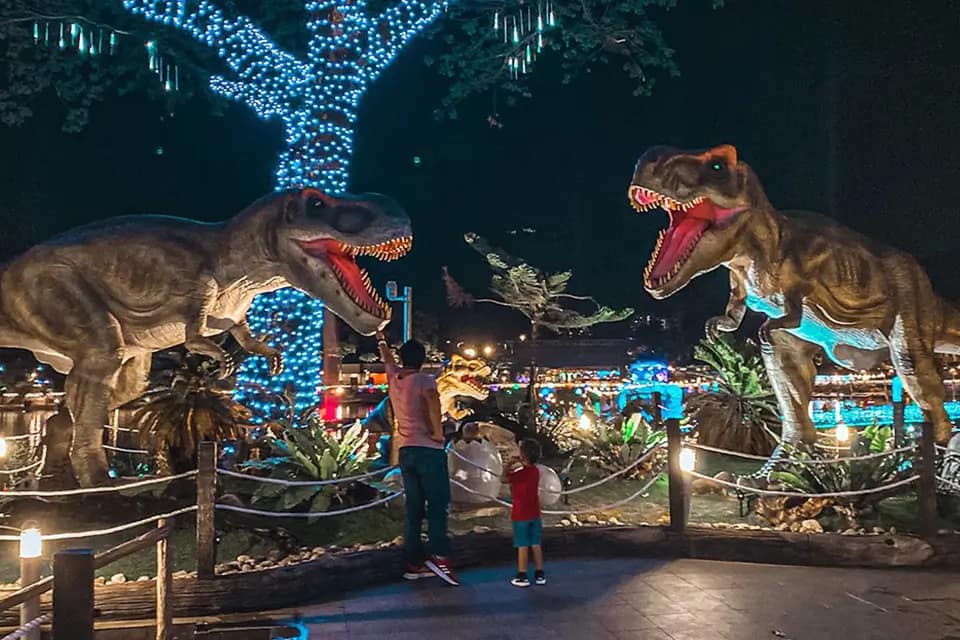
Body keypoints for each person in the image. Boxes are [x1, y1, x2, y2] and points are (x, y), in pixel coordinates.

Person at [376, 330, 459, 586]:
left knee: (413, 507)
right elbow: (433, 400)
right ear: (422, 360)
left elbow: (387, 359)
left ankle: (413, 562)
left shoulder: (395, 378)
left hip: (406, 451)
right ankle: (440, 557)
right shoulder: (424, 381)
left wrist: (380, 338)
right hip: (428, 450)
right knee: (437, 503)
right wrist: (437, 432)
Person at [504, 438, 546, 587]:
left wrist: (509, 463)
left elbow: (504, 478)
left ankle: (522, 575)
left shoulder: (519, 474)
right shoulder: (535, 472)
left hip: (520, 514)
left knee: (522, 545)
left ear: (522, 455)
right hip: (534, 513)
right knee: (535, 544)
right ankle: (539, 574)